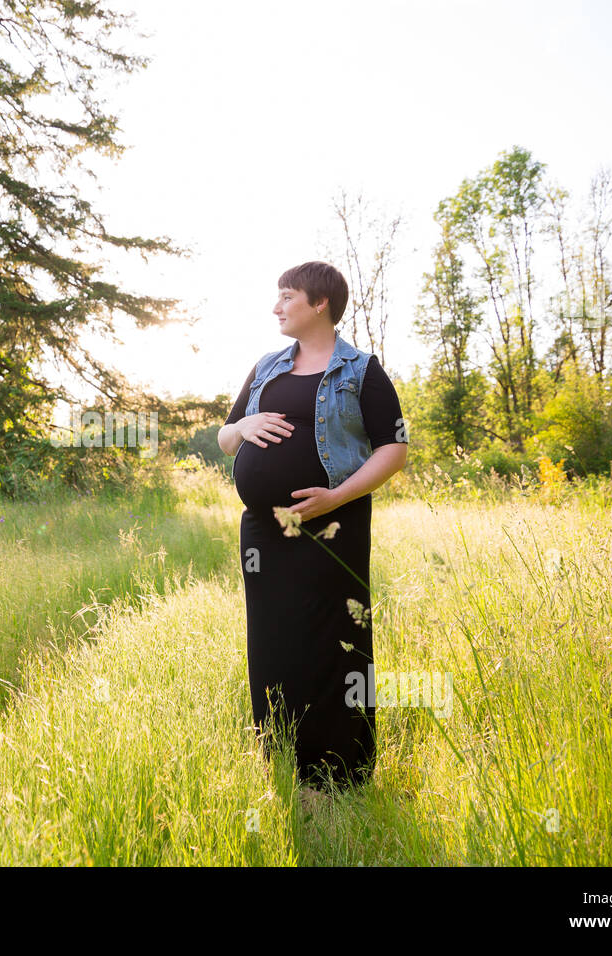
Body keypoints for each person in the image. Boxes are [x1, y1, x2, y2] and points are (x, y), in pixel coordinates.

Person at [218, 261, 408, 794]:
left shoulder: (362, 370)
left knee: (334, 641)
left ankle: (340, 773)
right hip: (263, 531)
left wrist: (335, 497)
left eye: (286, 297)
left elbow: (394, 448)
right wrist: (243, 425)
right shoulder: (266, 366)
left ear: (319, 303)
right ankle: (281, 755)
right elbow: (225, 437)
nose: (276, 307)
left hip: (334, 527)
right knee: (272, 640)